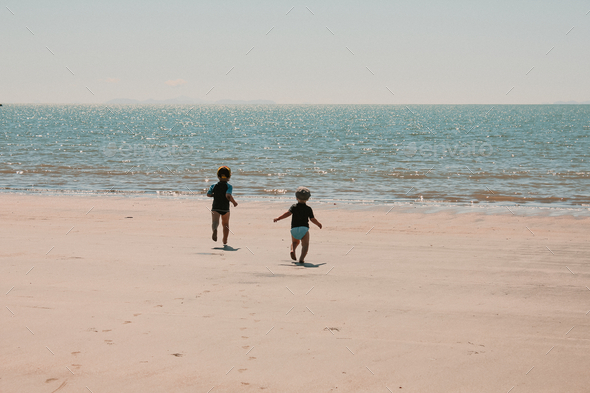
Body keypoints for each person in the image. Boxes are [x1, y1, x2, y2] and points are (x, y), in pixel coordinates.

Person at [273, 186, 322, 264]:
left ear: (296, 198)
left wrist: (278, 218)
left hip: (294, 229)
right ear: (308, 198)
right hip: (304, 229)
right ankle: (301, 259)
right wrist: (318, 224)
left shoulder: (294, 207)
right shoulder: (308, 209)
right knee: (305, 245)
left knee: (295, 242)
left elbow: (287, 213)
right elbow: (312, 219)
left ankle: (293, 250)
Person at [207, 166, 238, 245]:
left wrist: (216, 195)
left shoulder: (213, 185)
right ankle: (225, 240)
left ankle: (215, 229)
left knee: (215, 221)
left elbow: (208, 194)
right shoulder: (229, 186)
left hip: (215, 206)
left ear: (218, 176)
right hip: (225, 208)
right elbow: (228, 195)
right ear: (229, 176)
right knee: (225, 224)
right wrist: (234, 202)